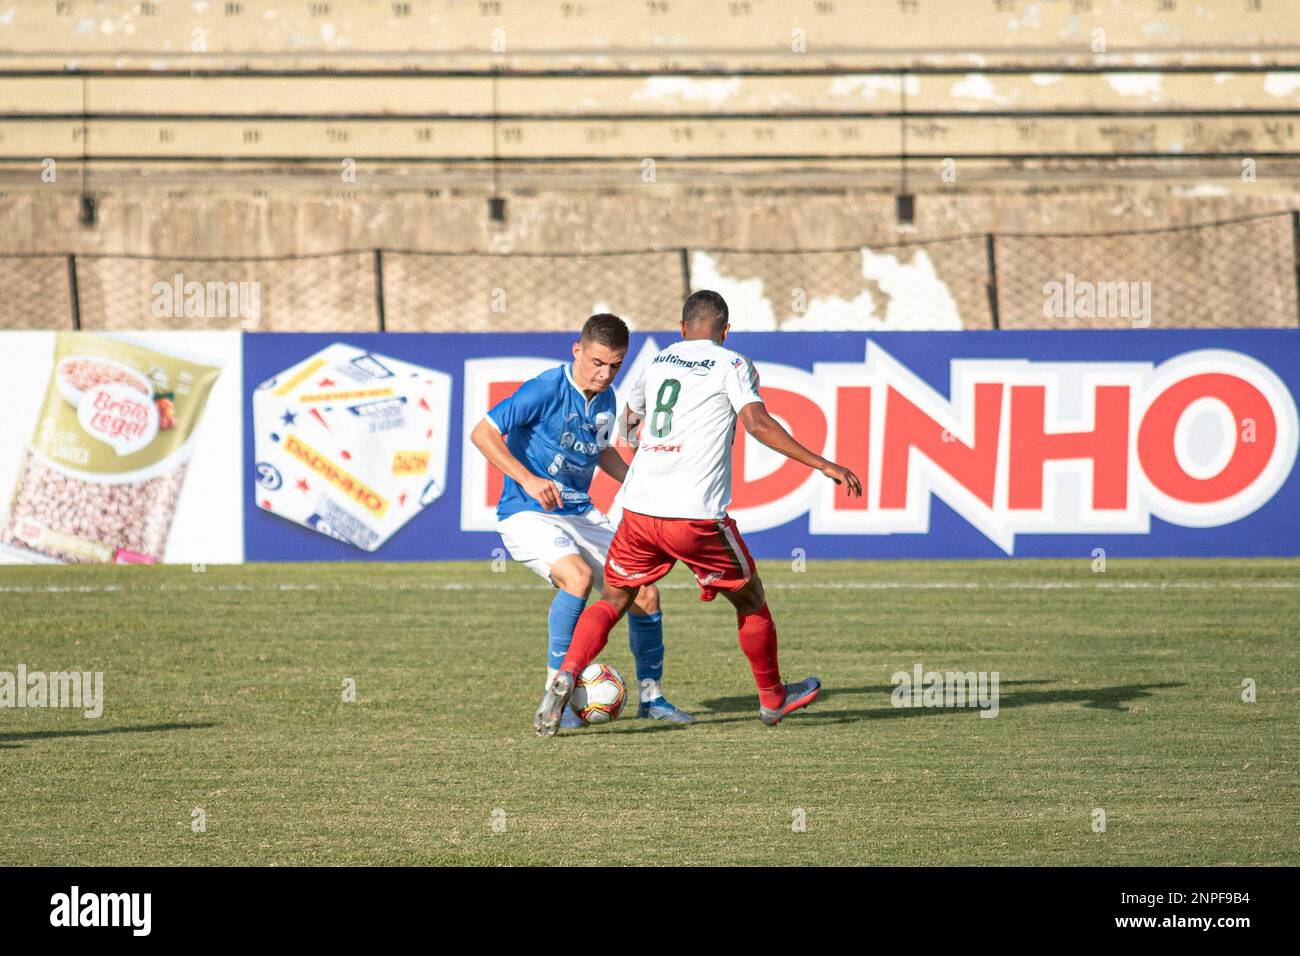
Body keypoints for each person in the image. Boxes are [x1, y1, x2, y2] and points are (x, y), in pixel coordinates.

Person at [534, 291, 862, 737]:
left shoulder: (660, 362)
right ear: (725, 332)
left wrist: (661, 450)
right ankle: (772, 698)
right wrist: (824, 464)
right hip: (694, 515)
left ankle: (568, 671)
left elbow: (627, 425)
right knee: (750, 598)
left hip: (638, 508)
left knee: (615, 598)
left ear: (682, 328)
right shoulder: (733, 363)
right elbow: (758, 424)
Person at [470, 313, 694, 729]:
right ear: (577, 350)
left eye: (614, 365)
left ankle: (653, 697)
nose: (605, 373)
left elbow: (601, 450)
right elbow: (482, 433)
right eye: (596, 362)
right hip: (526, 511)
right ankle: (555, 690)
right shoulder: (545, 389)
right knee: (575, 577)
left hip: (579, 512)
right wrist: (529, 479)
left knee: (644, 592)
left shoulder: (606, 399)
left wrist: (636, 481)